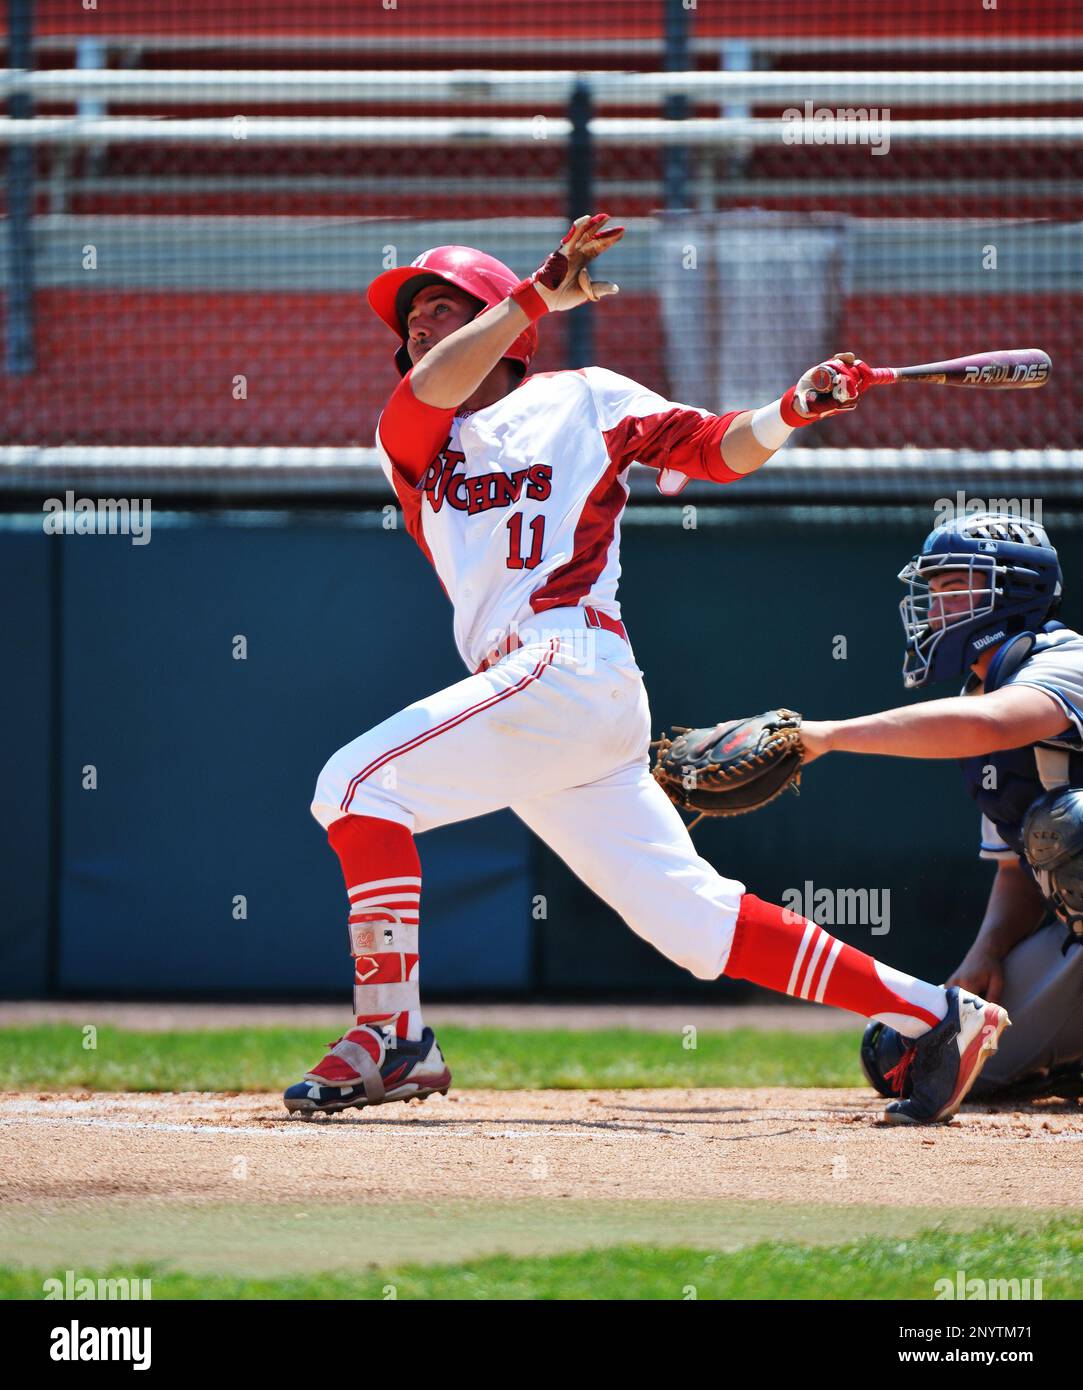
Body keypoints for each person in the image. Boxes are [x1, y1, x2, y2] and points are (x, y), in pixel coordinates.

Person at [283, 213, 1008, 1125]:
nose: (417, 328)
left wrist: (792, 408)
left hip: (570, 662)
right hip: (541, 702)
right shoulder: (413, 439)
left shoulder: (583, 397)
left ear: (496, 324)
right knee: (691, 921)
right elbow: (430, 386)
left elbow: (714, 451)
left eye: (437, 307)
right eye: (413, 319)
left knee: (352, 786)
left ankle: (393, 1038)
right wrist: (531, 296)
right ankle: (934, 1012)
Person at [797, 510, 1083, 1100]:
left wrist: (827, 735)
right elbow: (1018, 868)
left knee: (1072, 826)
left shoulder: (1063, 661)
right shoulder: (978, 694)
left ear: (1013, 593)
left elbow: (994, 724)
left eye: (955, 587)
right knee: (909, 1055)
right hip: (1070, 936)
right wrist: (986, 953)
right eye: (932, 590)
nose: (934, 606)